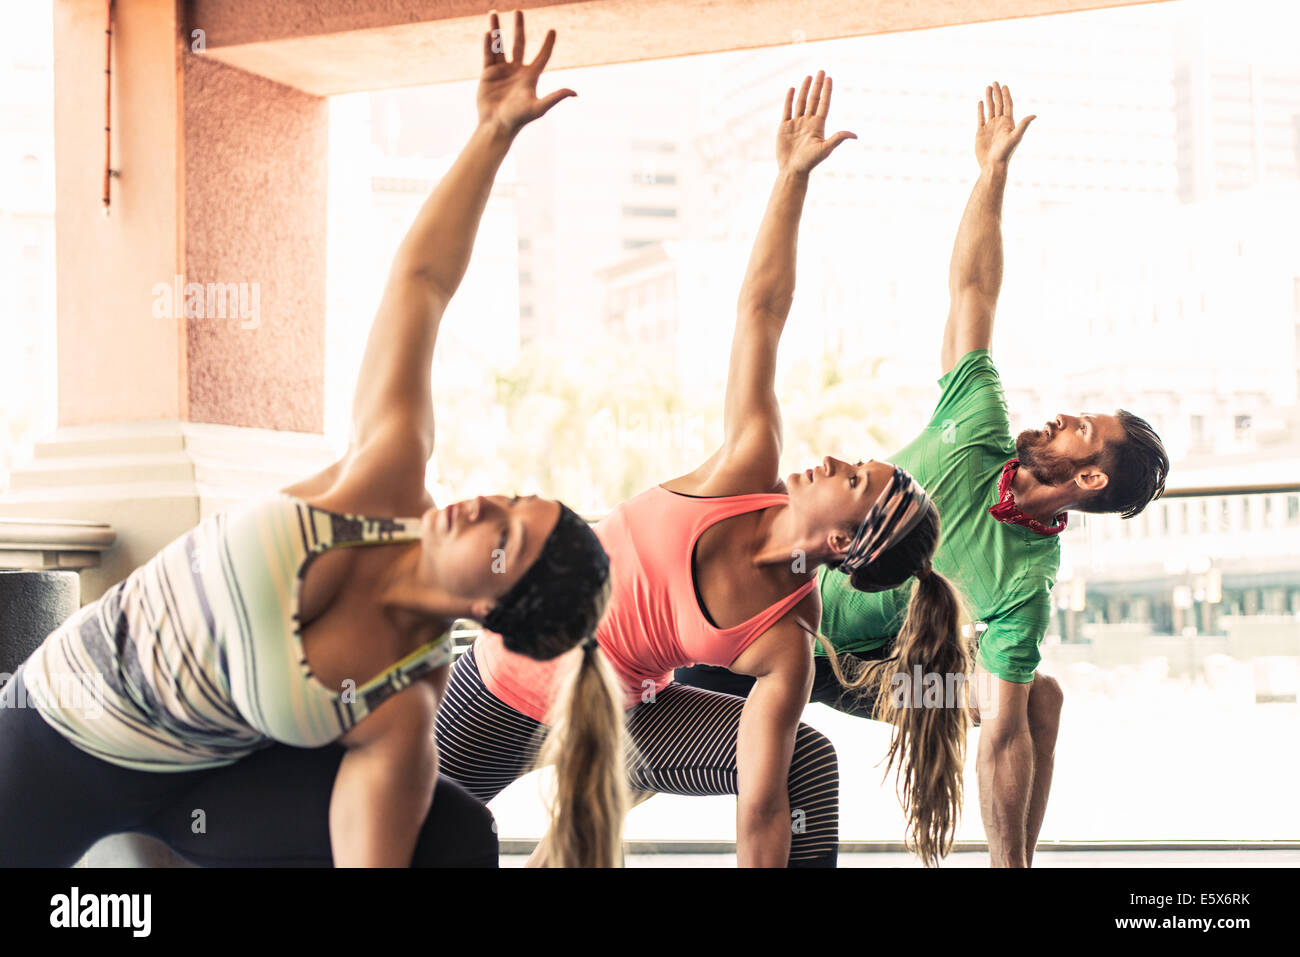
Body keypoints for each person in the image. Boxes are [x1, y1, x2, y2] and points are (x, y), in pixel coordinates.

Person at [0, 11, 626, 869]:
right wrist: (491, 133)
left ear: (491, 606)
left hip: (197, 788)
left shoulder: (400, 704)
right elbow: (422, 284)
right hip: (56, 732)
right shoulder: (388, 478)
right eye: (512, 499)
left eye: (505, 535)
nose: (484, 503)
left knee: (446, 836)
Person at [436, 71, 972, 868]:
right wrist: (790, 178)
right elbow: (760, 312)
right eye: (857, 463)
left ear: (844, 545)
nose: (831, 459)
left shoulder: (785, 644)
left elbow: (761, 809)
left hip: (618, 716)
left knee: (805, 762)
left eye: (853, 480)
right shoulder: (746, 462)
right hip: (507, 689)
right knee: (407, 827)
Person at [679, 82, 1170, 867]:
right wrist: (991, 175)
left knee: (1035, 698)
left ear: (1086, 482)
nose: (1058, 419)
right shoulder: (976, 423)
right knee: (638, 742)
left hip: (861, 677)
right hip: (772, 628)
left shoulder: (1026, 579)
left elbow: (1002, 730)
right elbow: (973, 290)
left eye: (1080, 430)